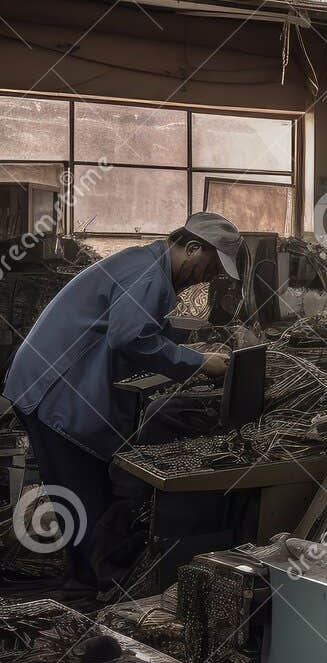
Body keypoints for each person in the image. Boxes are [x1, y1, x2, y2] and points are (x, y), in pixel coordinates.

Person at [4, 213, 240, 592]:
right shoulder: (150, 275)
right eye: (210, 267)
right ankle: (93, 590)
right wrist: (197, 362)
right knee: (87, 493)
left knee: (84, 489)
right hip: (53, 388)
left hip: (48, 380)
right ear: (193, 248)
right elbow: (129, 337)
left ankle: (88, 581)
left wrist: (185, 352)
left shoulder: (143, 262)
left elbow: (138, 330)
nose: (208, 278)